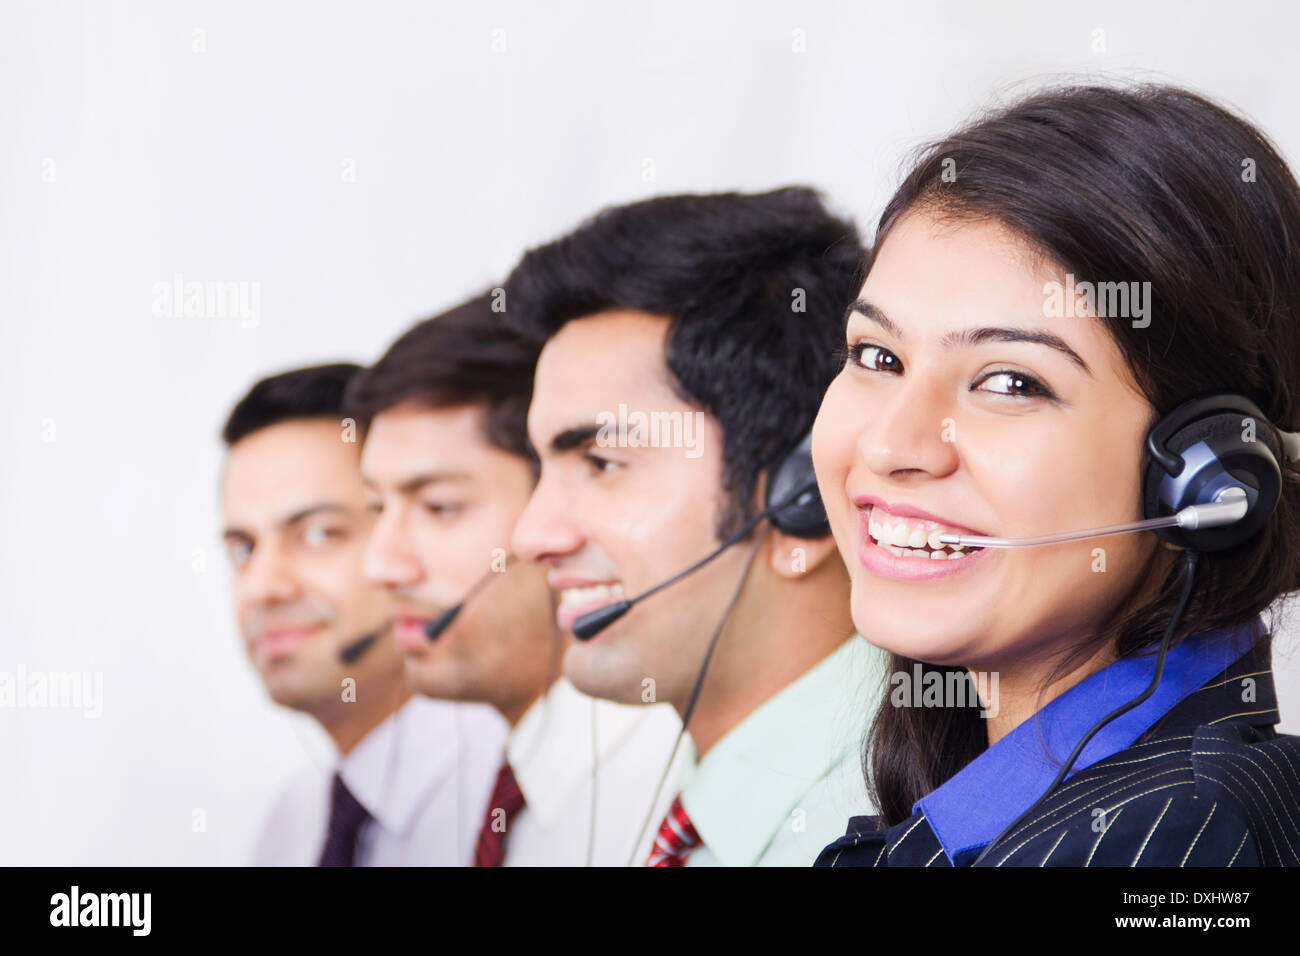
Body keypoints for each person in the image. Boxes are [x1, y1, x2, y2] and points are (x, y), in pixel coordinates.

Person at [811, 83, 1300, 867]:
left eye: (1010, 382)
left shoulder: (1170, 842)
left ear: (1213, 476)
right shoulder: (1014, 802)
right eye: (878, 357)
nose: (892, 443)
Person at [506, 188, 889, 866]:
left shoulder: (883, 833)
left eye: (601, 462)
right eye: (542, 467)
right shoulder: (708, 803)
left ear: (803, 503)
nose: (531, 536)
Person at [348, 294, 685, 866]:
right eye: (377, 507)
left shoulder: (669, 806)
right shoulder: (499, 779)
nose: (380, 565)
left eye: (438, 507)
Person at [220, 363, 506, 866]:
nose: (263, 586)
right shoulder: (291, 827)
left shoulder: (509, 796)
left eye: (318, 534)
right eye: (244, 548)